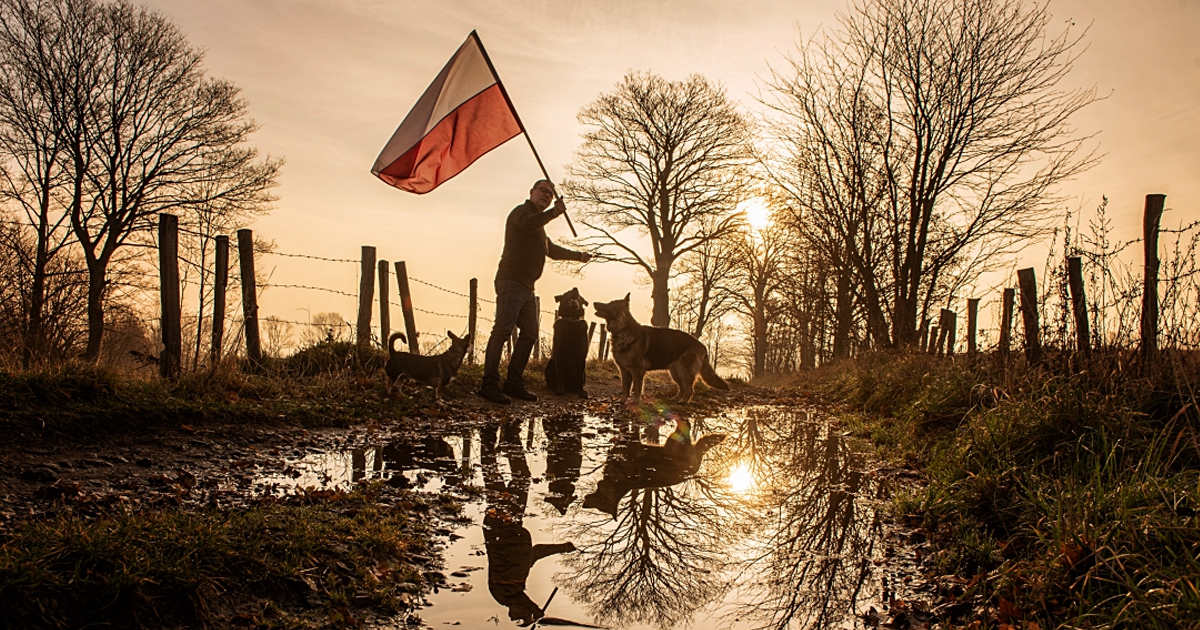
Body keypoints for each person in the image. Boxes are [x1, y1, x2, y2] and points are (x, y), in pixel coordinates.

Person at [478, 180, 591, 404]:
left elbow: (552, 250)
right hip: (511, 281)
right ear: (532, 192)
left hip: (528, 287)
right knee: (502, 330)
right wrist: (554, 213)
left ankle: (513, 382)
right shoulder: (521, 214)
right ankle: (489, 384)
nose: (547, 196)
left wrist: (578, 256)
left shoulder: (540, 227)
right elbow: (528, 224)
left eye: (550, 194)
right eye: (543, 191)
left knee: (530, 333)